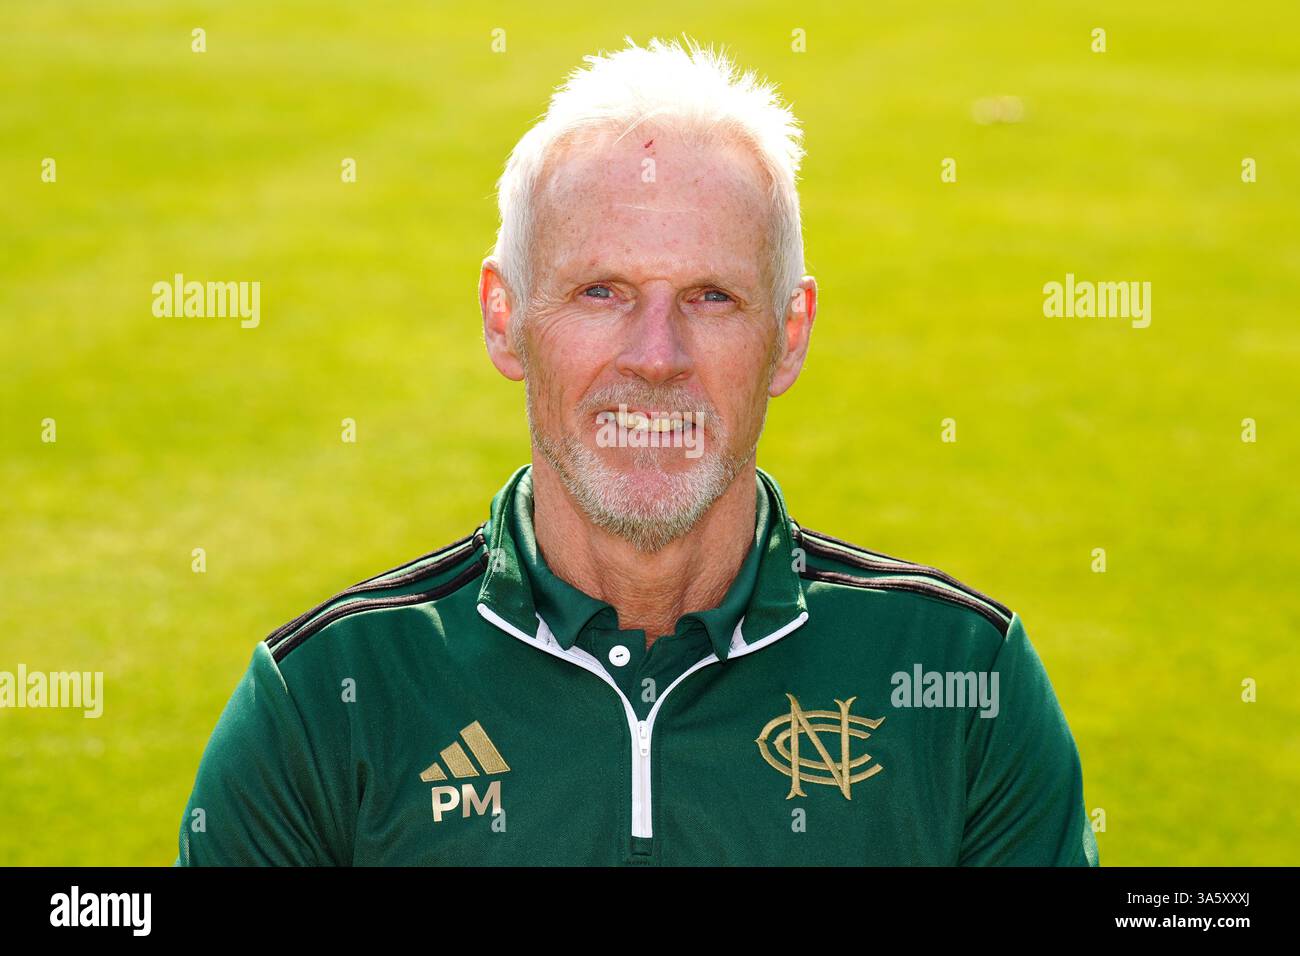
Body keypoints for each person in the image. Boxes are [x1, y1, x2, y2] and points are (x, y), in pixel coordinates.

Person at [176, 35, 1098, 866]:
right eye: (602, 292)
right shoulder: (327, 700)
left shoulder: (962, 681)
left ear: (790, 334)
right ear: (505, 319)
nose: (655, 359)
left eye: (711, 298)